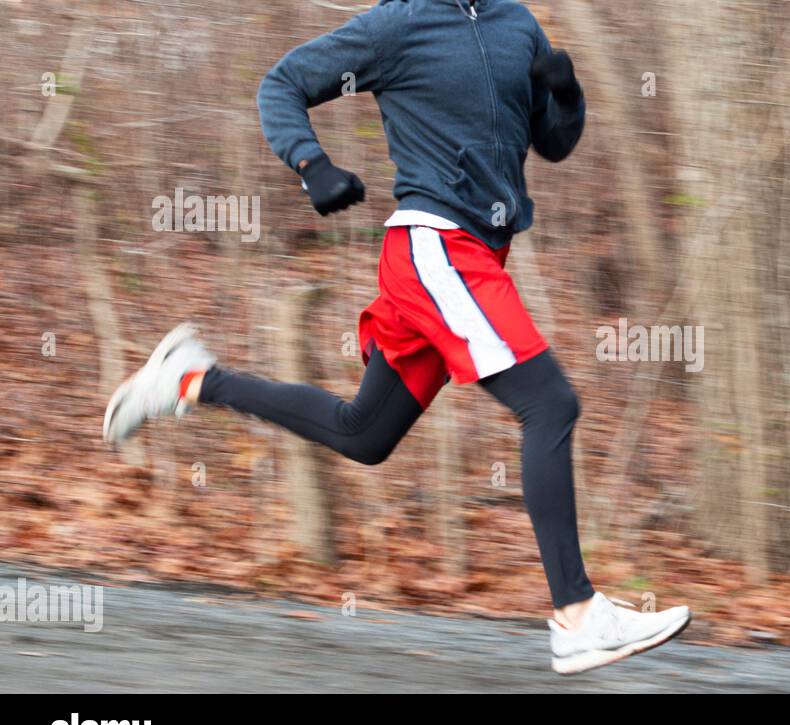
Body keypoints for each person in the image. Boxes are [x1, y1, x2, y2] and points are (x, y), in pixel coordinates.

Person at [102, 0, 689, 675]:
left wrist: (564, 92)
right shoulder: (398, 25)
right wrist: (311, 165)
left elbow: (553, 143)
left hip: (476, 254)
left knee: (364, 433)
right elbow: (281, 84)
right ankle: (578, 615)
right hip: (436, 246)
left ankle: (189, 377)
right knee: (550, 403)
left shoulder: (516, 24)